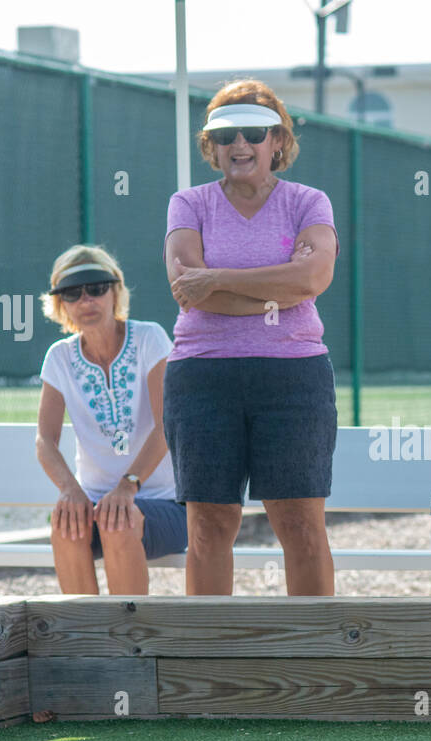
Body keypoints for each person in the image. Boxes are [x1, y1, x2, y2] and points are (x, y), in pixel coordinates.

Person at [163, 80, 339, 596]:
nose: (240, 144)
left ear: (278, 141)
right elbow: (187, 291)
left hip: (293, 377)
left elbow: (311, 280)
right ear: (210, 146)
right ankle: (209, 658)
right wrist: (278, 282)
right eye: (226, 135)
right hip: (201, 378)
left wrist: (216, 277)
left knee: (301, 527)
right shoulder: (187, 203)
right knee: (209, 528)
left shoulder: (309, 202)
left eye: (254, 133)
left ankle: (313, 658)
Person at [36, 245, 187, 595]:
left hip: (168, 505)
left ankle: (128, 642)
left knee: (118, 521)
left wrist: (127, 486)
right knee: (65, 524)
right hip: (97, 504)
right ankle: (84, 640)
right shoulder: (59, 358)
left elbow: (168, 426)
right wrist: (71, 491)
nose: (86, 300)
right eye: (72, 293)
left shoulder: (150, 339)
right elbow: (45, 440)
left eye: (96, 288)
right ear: (61, 305)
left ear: (115, 291)